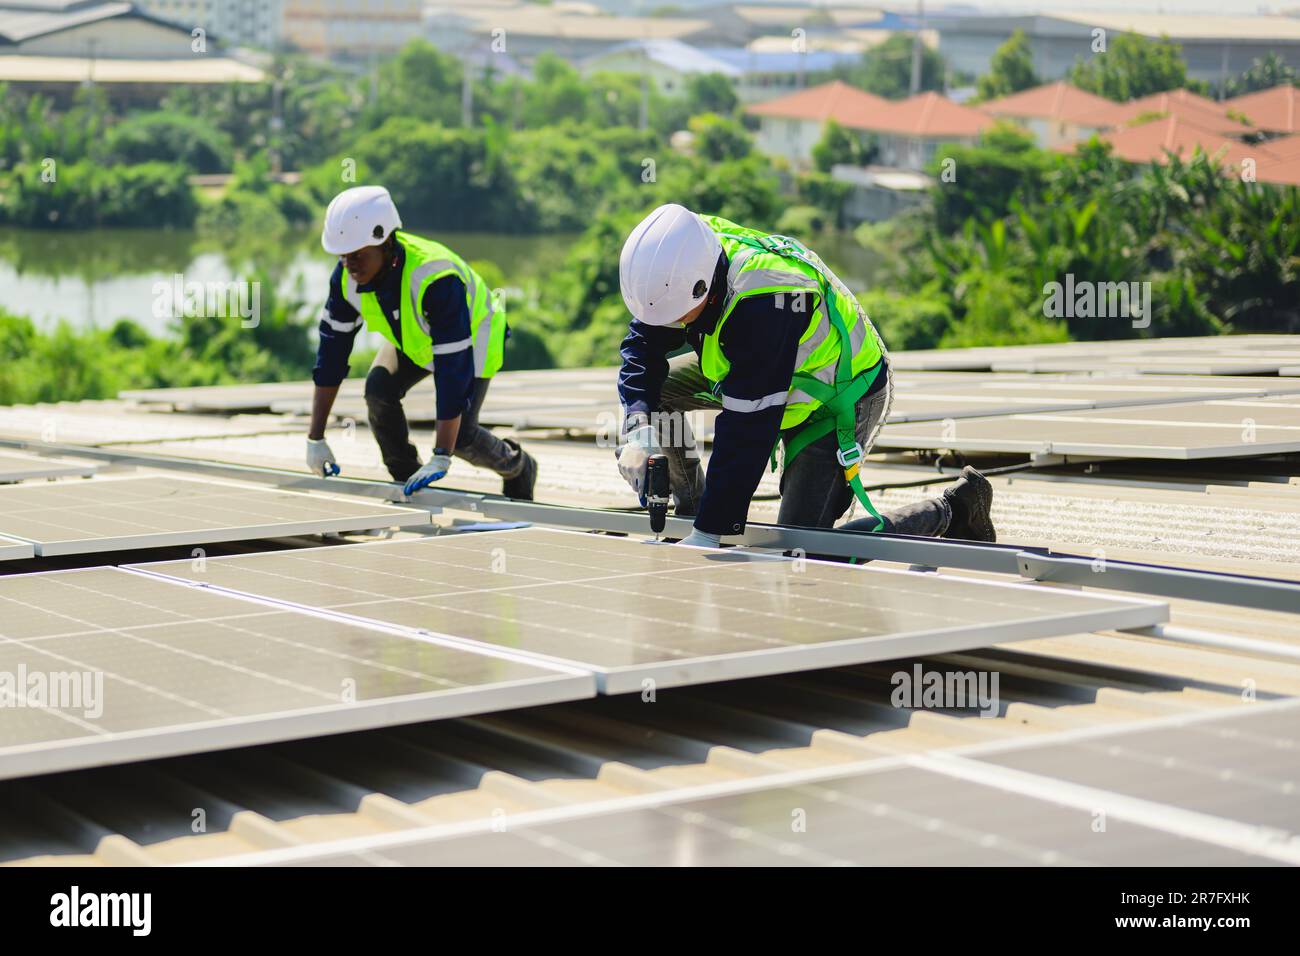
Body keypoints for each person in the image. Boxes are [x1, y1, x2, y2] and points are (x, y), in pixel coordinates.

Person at [614, 203, 994, 547]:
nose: (674, 326)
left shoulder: (764, 299)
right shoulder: (683, 255)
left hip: (834, 395)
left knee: (799, 550)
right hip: (761, 371)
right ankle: (691, 513)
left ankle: (954, 510)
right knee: (654, 396)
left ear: (705, 289)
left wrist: (711, 533)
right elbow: (642, 349)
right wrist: (638, 427)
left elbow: (747, 429)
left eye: (679, 317)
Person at [305, 186, 536, 499]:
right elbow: (331, 357)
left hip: (474, 332)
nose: (350, 264)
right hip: (415, 335)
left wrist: (442, 453)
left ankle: (518, 466)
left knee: (462, 437)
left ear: (385, 241)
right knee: (378, 391)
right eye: (343, 256)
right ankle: (409, 481)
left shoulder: (435, 278)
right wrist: (315, 438)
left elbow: (451, 369)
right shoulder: (347, 277)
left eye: (357, 254)